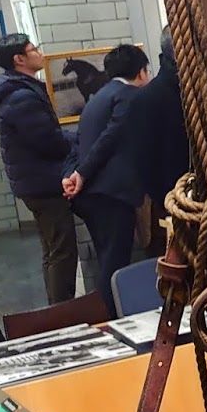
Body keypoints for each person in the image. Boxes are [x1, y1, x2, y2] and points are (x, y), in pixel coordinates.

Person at [63, 43, 150, 316]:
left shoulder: (99, 97)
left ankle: (108, 316)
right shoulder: (129, 96)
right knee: (115, 264)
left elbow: (79, 142)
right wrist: (81, 173)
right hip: (110, 193)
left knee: (107, 259)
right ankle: (110, 321)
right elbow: (110, 138)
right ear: (141, 72)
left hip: (92, 196)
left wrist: (72, 174)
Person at [0, 33, 77, 305]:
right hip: (43, 183)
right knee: (62, 251)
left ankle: (58, 309)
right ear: (19, 59)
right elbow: (47, 141)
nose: (40, 53)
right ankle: (62, 313)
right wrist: (78, 138)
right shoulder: (20, 96)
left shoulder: (20, 90)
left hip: (35, 182)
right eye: (34, 49)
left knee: (52, 249)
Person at [127, 28, 190, 256]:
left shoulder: (203, 89)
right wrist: (169, 201)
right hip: (174, 207)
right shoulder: (147, 101)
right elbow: (144, 164)